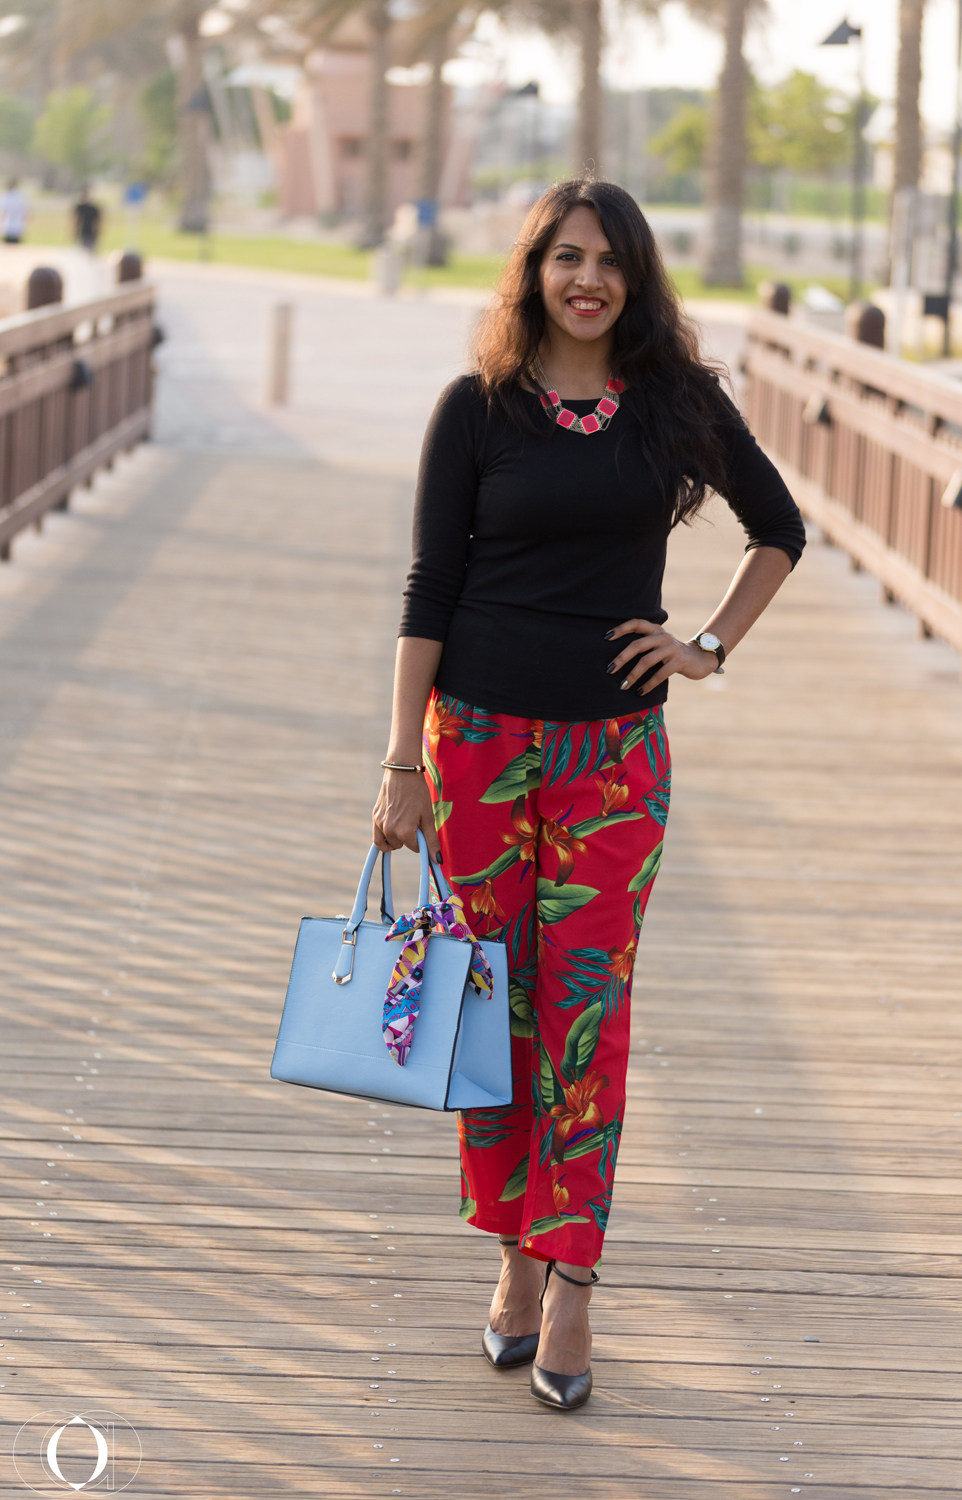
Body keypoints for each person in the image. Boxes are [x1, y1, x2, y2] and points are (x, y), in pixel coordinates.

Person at [372, 177, 805, 1411]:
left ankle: (571, 1279)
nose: (586, 280)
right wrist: (400, 760)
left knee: (584, 1013)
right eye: (563, 257)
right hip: (475, 754)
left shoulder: (675, 405)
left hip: (613, 758)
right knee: (491, 1004)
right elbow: (426, 591)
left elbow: (776, 529)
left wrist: (704, 648)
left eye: (608, 261)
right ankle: (511, 1252)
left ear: (636, 278)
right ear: (532, 272)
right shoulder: (478, 410)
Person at [0, 178, 28, 244]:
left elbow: (3, 212)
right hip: (18, 227)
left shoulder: (5, 196)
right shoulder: (21, 197)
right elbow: (26, 211)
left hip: (7, 227)